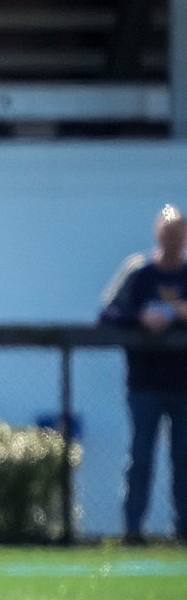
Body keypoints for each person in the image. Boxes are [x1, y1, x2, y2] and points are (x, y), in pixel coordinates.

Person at [99, 204, 187, 545]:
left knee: (184, 458)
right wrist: (141, 318)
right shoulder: (139, 273)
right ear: (157, 235)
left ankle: (183, 529)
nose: (173, 242)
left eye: (179, 236)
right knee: (141, 457)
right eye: (168, 235)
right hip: (145, 383)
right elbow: (108, 313)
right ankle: (133, 529)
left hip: (183, 384)